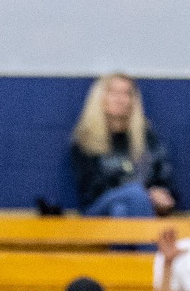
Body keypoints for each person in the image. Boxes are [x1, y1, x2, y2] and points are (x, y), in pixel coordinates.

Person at [71, 73, 174, 218]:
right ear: (100, 97)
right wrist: (144, 193)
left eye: (127, 93)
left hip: (139, 207)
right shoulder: (85, 140)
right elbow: (91, 190)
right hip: (97, 210)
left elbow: (164, 178)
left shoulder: (148, 138)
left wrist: (161, 195)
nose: (120, 99)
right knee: (134, 193)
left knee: (120, 210)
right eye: (113, 92)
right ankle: (146, 241)